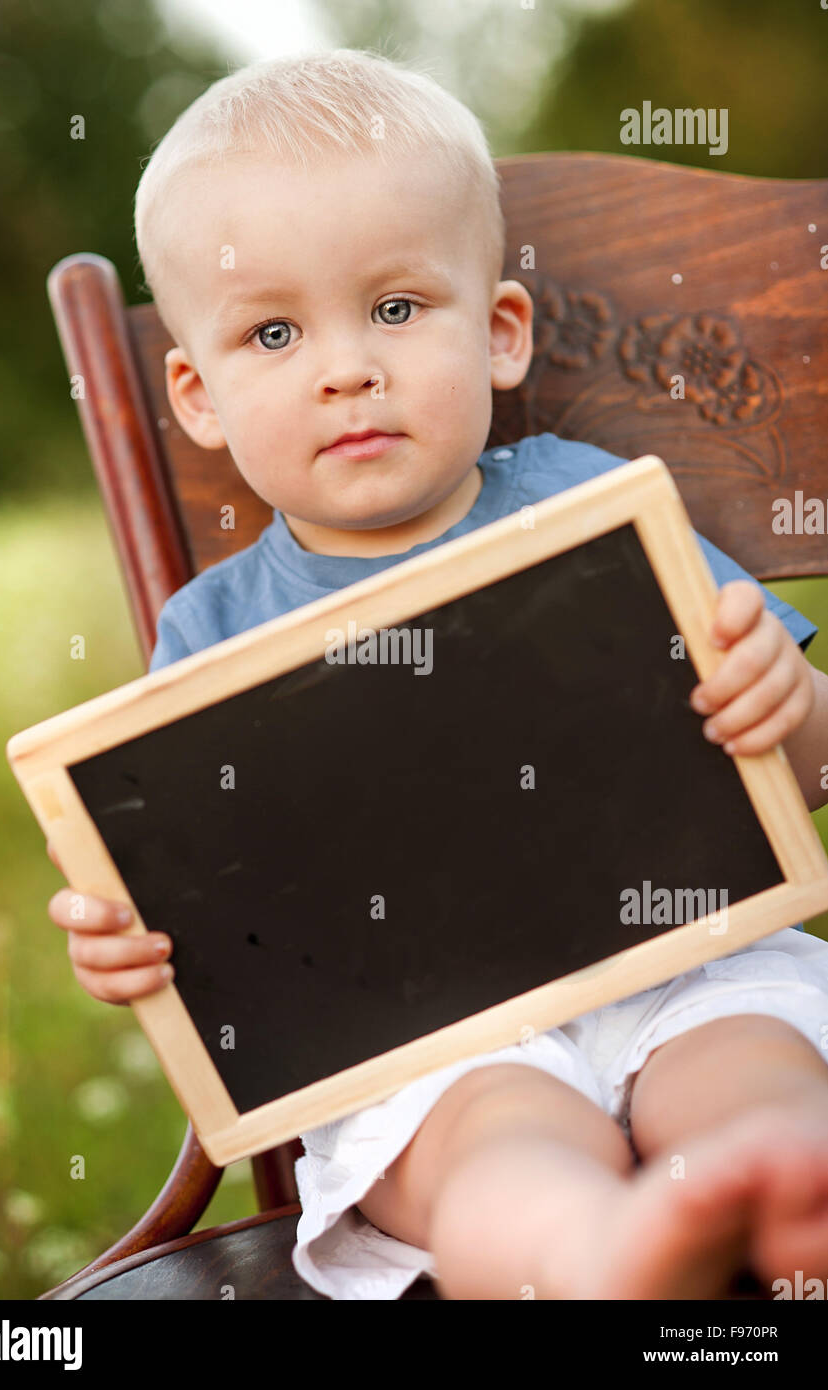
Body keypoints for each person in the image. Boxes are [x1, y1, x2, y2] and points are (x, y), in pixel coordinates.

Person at [48, 48, 828, 1300]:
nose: (345, 367)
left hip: (681, 956)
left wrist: (783, 710)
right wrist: (141, 945)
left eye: (398, 310)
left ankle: (772, 1197)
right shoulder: (212, 636)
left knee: (755, 1073)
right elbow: (223, 927)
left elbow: (799, 776)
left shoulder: (595, 510)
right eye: (273, 331)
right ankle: (603, 1261)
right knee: (496, 1144)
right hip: (419, 1042)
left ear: (501, 332)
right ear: (197, 395)